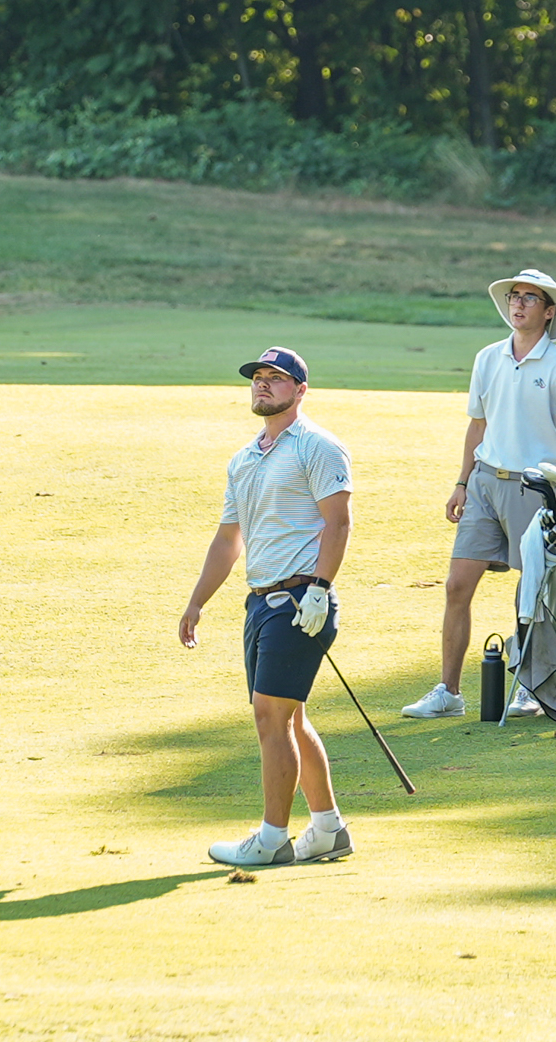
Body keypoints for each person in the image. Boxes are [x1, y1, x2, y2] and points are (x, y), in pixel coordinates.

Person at [180, 347, 355, 866]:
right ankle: (328, 830)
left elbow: (338, 522)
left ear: (300, 390)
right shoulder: (244, 457)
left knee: (269, 718)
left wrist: (321, 587)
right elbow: (228, 539)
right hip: (261, 603)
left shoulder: (318, 447)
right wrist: (197, 602)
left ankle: (273, 839)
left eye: (276, 379)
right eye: (258, 378)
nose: (263, 385)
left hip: (302, 599)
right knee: (291, 718)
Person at [402, 269, 556, 720]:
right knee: (457, 584)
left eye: (529, 298)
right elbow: (477, 424)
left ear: (548, 313)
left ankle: (530, 687)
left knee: (532, 593)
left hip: (534, 489)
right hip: (485, 482)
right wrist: (462, 481)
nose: (518, 304)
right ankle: (448, 691)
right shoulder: (488, 358)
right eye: (514, 296)